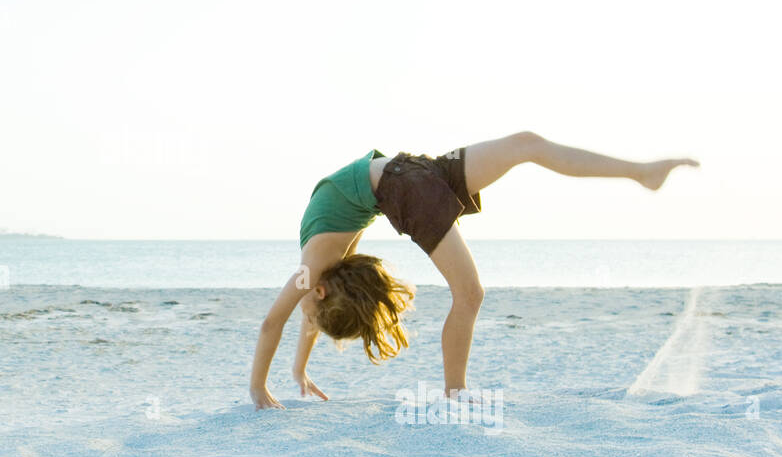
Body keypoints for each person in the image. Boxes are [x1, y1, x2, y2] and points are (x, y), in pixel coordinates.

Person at [248, 131, 698, 409]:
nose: (302, 312)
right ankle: (642, 173)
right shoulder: (323, 265)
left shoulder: (310, 271)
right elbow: (304, 316)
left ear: (321, 293)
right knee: (526, 144)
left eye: (309, 314)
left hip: (407, 187)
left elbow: (274, 322)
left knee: (470, 295)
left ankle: (454, 390)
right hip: (412, 174)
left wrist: (259, 388)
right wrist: (298, 370)